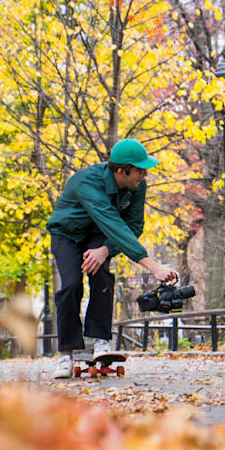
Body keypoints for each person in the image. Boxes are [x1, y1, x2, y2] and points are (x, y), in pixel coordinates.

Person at [46, 138, 177, 378]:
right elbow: (113, 223)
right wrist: (153, 267)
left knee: (101, 275)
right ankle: (65, 354)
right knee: (72, 284)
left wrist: (105, 250)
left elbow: (133, 226)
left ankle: (101, 341)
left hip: (99, 235)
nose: (144, 175)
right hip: (67, 234)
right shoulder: (87, 183)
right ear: (120, 170)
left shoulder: (137, 185)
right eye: (139, 170)